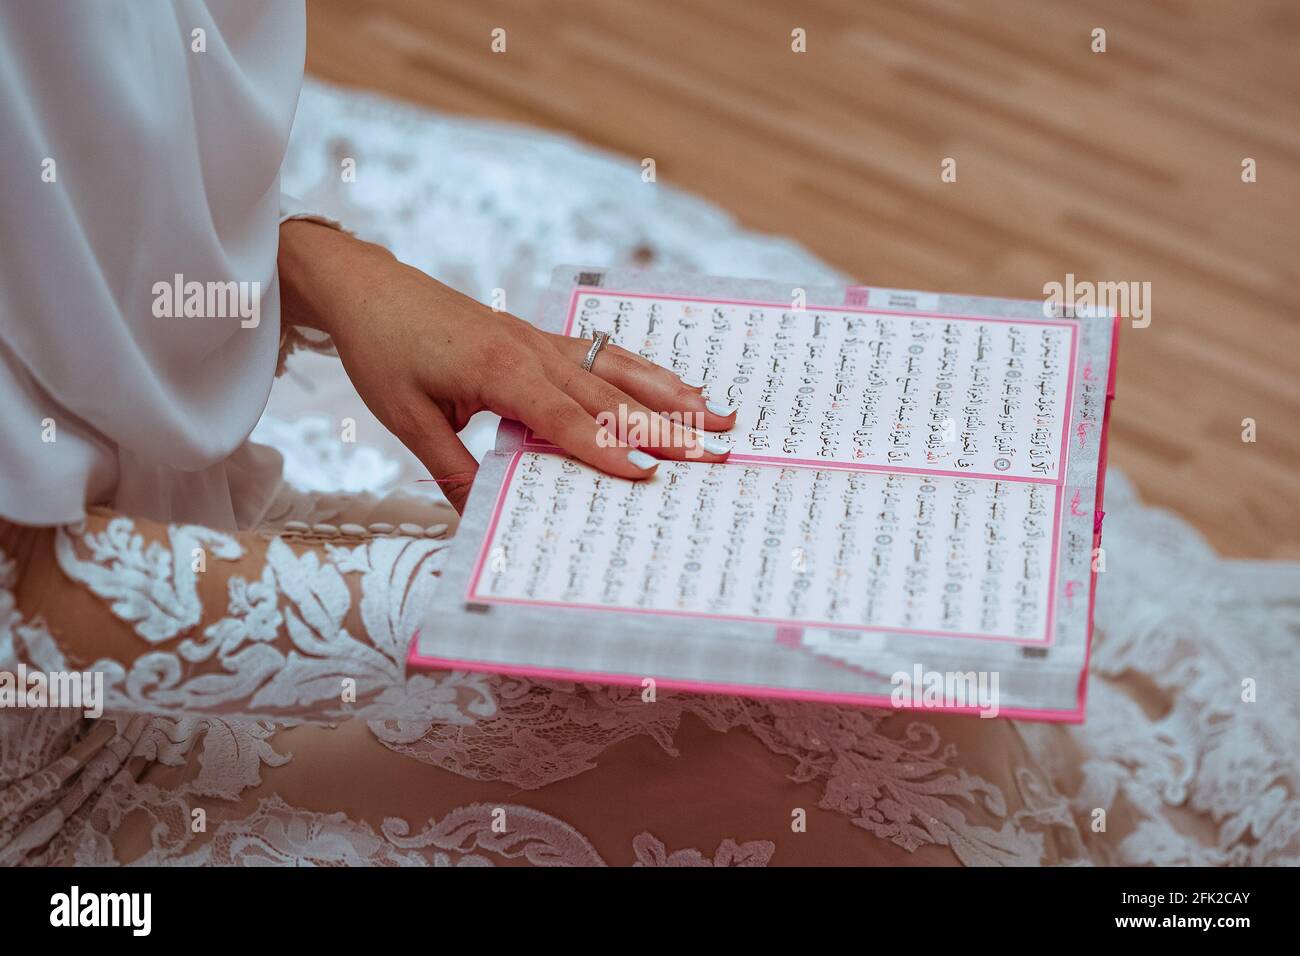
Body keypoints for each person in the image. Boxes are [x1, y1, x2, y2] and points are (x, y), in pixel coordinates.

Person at [0, 1, 1075, 866]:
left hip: (161, 534)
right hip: (48, 763)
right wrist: (524, 600)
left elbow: (77, 210)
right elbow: (21, 600)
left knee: (896, 739)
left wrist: (331, 269)